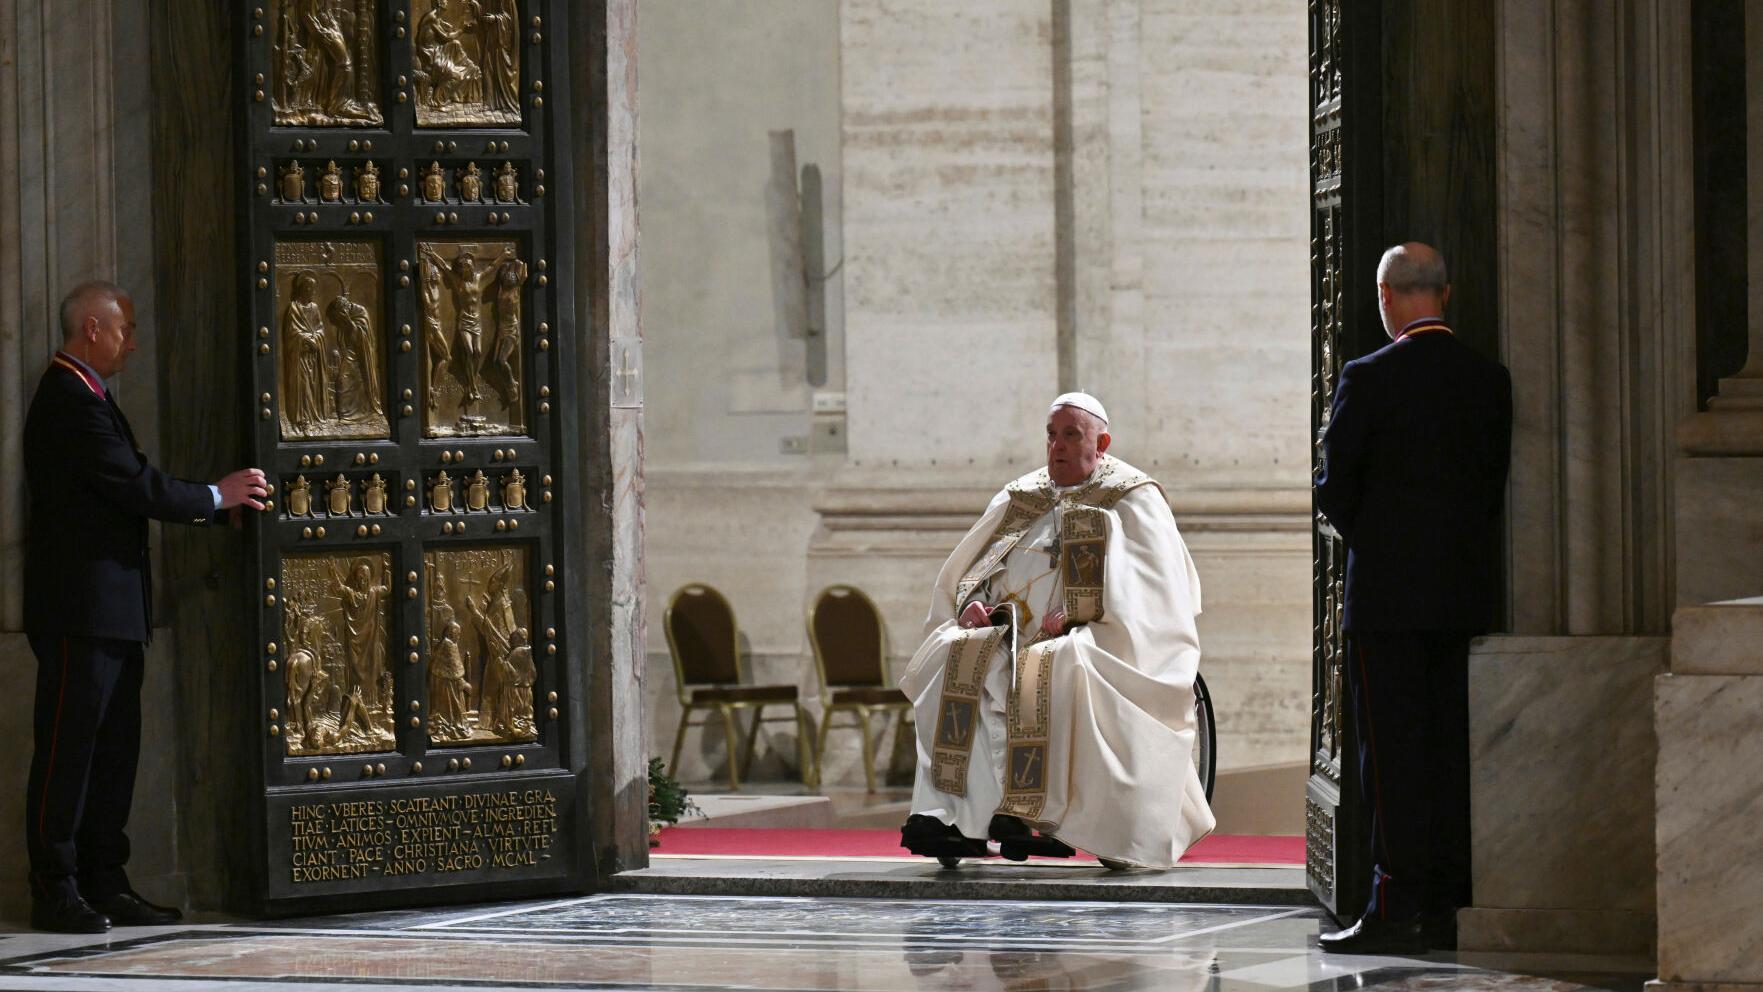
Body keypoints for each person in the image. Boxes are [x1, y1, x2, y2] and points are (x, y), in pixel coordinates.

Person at [22, 281, 267, 933]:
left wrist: (219, 511)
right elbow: (130, 485)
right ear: (92, 330)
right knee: (69, 752)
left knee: (113, 753)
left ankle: (105, 878)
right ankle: (56, 886)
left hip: (113, 609)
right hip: (81, 611)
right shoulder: (66, 397)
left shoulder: (90, 394)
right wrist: (215, 497)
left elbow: (120, 494)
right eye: (126, 328)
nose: (133, 340)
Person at [898, 393, 1214, 869]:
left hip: (1097, 637)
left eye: (1071, 435)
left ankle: (1032, 813)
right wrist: (971, 604)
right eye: (1051, 434)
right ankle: (953, 819)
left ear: (1101, 442)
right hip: (1007, 634)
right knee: (954, 652)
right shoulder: (1022, 495)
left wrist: (1081, 614)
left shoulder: (1132, 496)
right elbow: (972, 568)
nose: (1057, 446)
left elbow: (1157, 593)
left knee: (1058, 664)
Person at [1314, 243, 1513, 954]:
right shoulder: (1488, 380)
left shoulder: (1368, 377)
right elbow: (1490, 489)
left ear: (1384, 296)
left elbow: (1332, 488)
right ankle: (1453, 901)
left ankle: (1396, 905)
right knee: (1452, 748)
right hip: (1462, 595)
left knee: (1392, 758)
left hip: (1389, 604)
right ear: (1445, 294)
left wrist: (1387, 545)